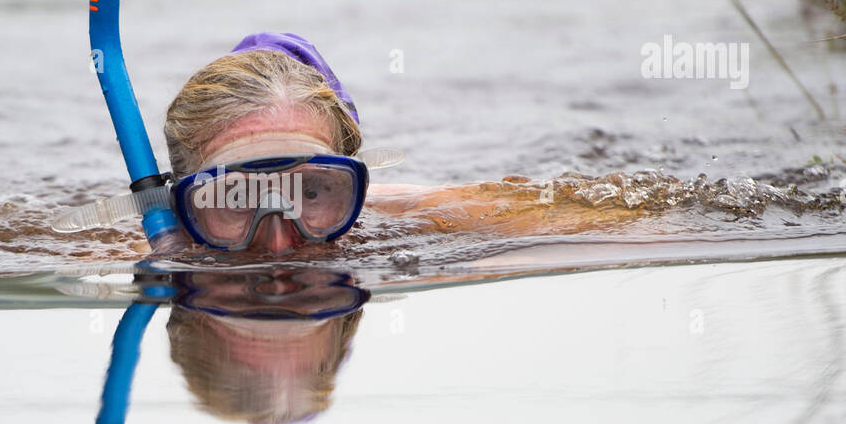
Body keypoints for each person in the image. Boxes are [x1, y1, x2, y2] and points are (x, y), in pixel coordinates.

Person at [158, 32, 644, 253]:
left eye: (312, 192)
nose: (282, 242)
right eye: (237, 197)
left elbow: (638, 221)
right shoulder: (123, 243)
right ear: (180, 204)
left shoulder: (418, 214)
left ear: (354, 190)